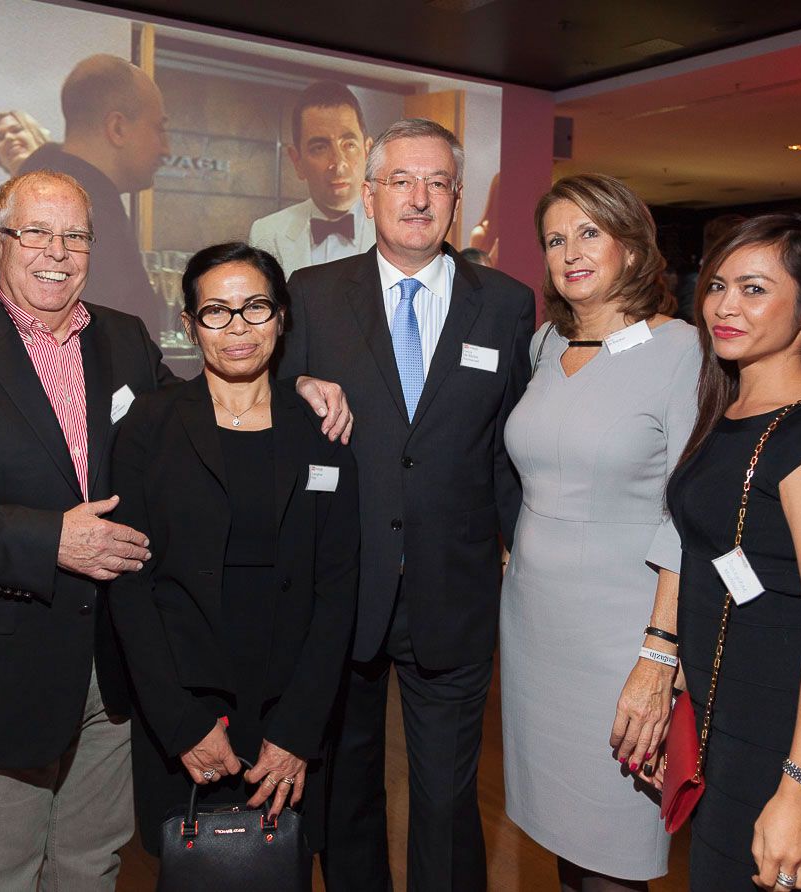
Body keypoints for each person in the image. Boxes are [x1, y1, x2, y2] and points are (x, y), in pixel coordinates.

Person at [0, 170, 352, 890]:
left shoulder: (122, 339)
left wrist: (298, 385)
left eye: (75, 235)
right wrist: (47, 539)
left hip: (120, 669)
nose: (56, 251)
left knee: (90, 866)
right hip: (6, 668)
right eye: (36, 231)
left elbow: (197, 412)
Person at [278, 118, 535, 891]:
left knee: (448, 800)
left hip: (455, 593)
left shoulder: (508, 304)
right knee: (345, 793)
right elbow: (269, 412)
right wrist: (296, 388)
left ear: (457, 199)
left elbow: (509, 450)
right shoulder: (314, 295)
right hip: (344, 589)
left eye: (437, 184)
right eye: (402, 181)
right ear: (369, 195)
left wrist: (524, 561)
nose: (419, 198)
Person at [106, 242, 359, 864]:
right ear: (189, 325)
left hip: (289, 709)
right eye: (216, 312)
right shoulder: (149, 426)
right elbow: (129, 584)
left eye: (255, 308)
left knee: (281, 870)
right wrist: (178, 722)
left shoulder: (323, 431)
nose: (238, 327)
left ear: (282, 318)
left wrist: (299, 731)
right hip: (186, 709)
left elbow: (338, 592)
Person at [499, 173, 700, 891]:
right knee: (563, 838)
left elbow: (690, 513)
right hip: (533, 629)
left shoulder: (681, 351)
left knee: (615, 848)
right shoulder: (546, 344)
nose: (570, 252)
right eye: (556, 239)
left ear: (632, 246)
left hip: (623, 637)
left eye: (589, 232)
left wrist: (660, 654)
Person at [663, 214, 801, 891]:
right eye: (717, 285)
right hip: (726, 716)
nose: (725, 305)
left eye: (754, 290)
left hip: (778, 737)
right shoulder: (731, 411)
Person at [21, 54, 170, 338]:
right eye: (159, 128)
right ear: (117, 128)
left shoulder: (43, 200)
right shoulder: (76, 220)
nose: (166, 149)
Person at [249, 81, 375, 277]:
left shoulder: (398, 228)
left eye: (349, 144)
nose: (339, 163)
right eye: (320, 147)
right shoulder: (267, 233)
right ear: (297, 160)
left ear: (367, 151)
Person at [0, 110, 51, 298]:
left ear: (36, 135)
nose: (9, 138)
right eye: (0, 137)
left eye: (16, 130)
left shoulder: (70, 193)